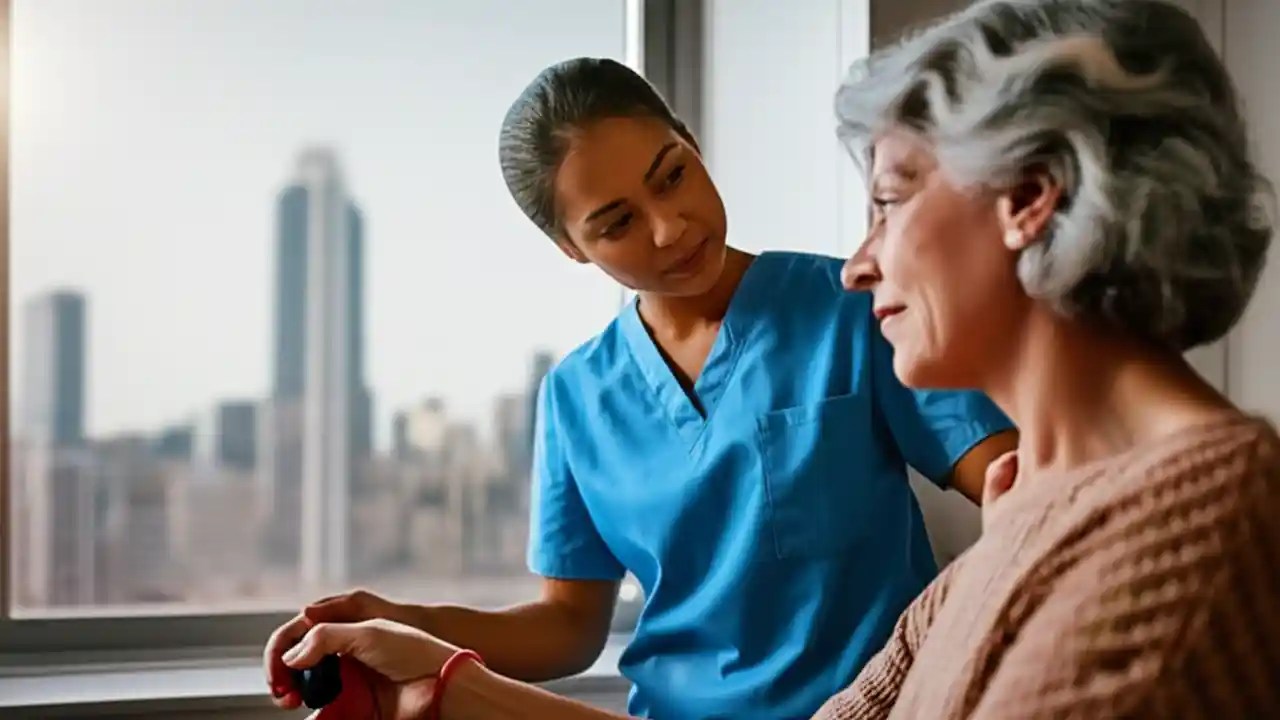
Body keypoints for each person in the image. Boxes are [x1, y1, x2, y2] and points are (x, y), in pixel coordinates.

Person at [264, 57, 1015, 719]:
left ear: (690, 141)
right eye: (618, 221)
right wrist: (398, 621)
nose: (671, 227)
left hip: (882, 703)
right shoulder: (576, 397)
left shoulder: (849, 306)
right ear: (571, 248)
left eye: (673, 175)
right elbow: (567, 627)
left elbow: (1017, 488)